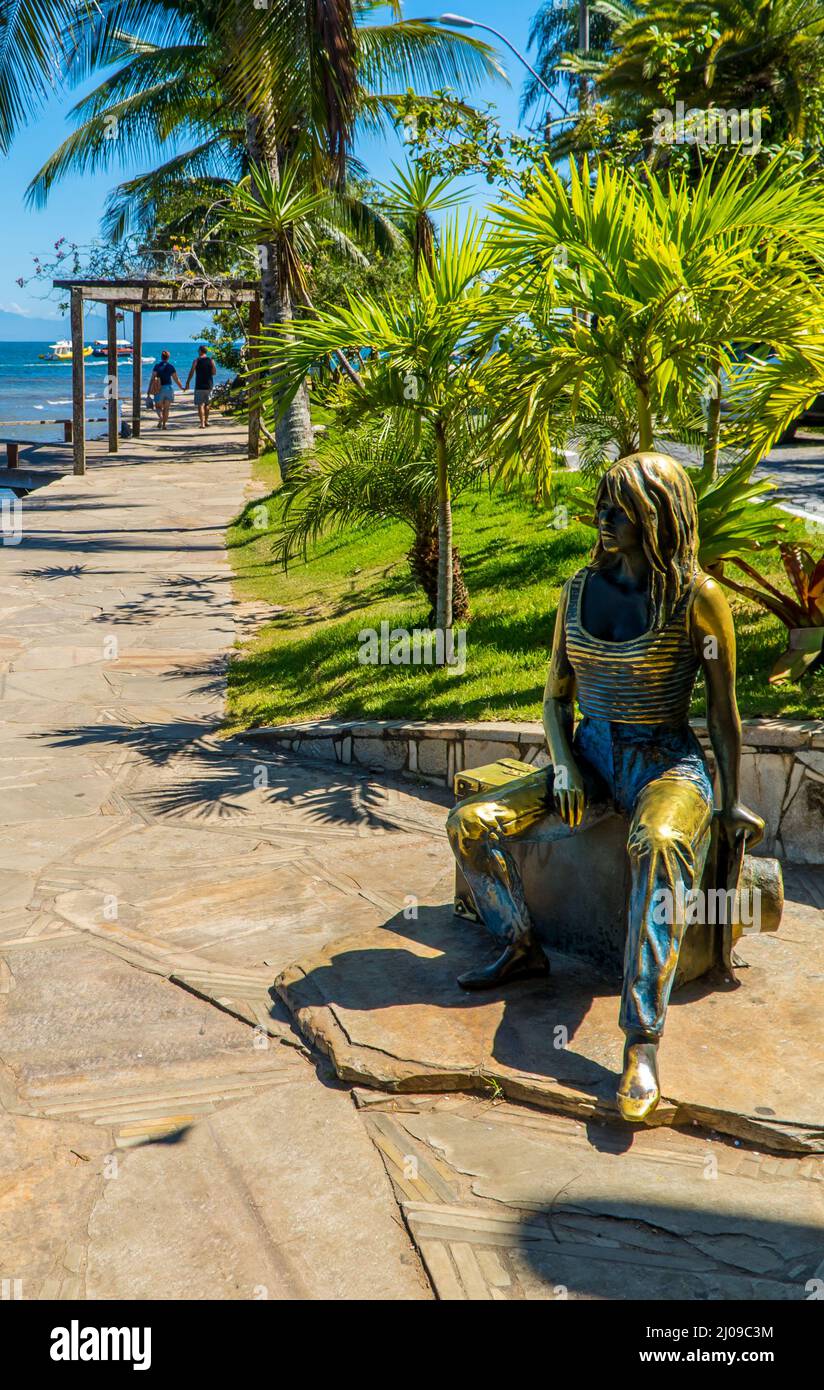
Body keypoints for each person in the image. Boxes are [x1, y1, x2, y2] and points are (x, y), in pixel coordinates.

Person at [446, 453, 764, 1123]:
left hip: (665, 763)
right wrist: (562, 765)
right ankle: (521, 945)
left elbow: (723, 712)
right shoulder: (577, 590)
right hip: (588, 757)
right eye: (602, 504)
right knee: (470, 824)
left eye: (620, 509)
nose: (603, 518)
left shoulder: (697, 598)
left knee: (660, 843)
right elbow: (555, 699)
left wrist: (730, 798)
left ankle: (641, 1041)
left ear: (659, 518)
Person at [149, 349, 184, 429]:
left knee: (158, 407)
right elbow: (176, 379)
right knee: (166, 409)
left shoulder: (157, 366)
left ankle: (161, 418)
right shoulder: (171, 367)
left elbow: (152, 378)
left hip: (159, 389)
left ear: (161, 357)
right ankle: (164, 425)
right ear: (168, 358)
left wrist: (149, 391)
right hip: (168, 389)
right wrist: (182, 387)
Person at [185, 345, 217, 428]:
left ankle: (202, 423)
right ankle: (206, 421)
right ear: (206, 351)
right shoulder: (211, 361)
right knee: (207, 404)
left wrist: (188, 382)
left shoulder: (196, 361)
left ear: (200, 351)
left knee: (200, 404)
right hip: (209, 385)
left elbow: (191, 372)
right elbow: (214, 373)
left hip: (199, 385)